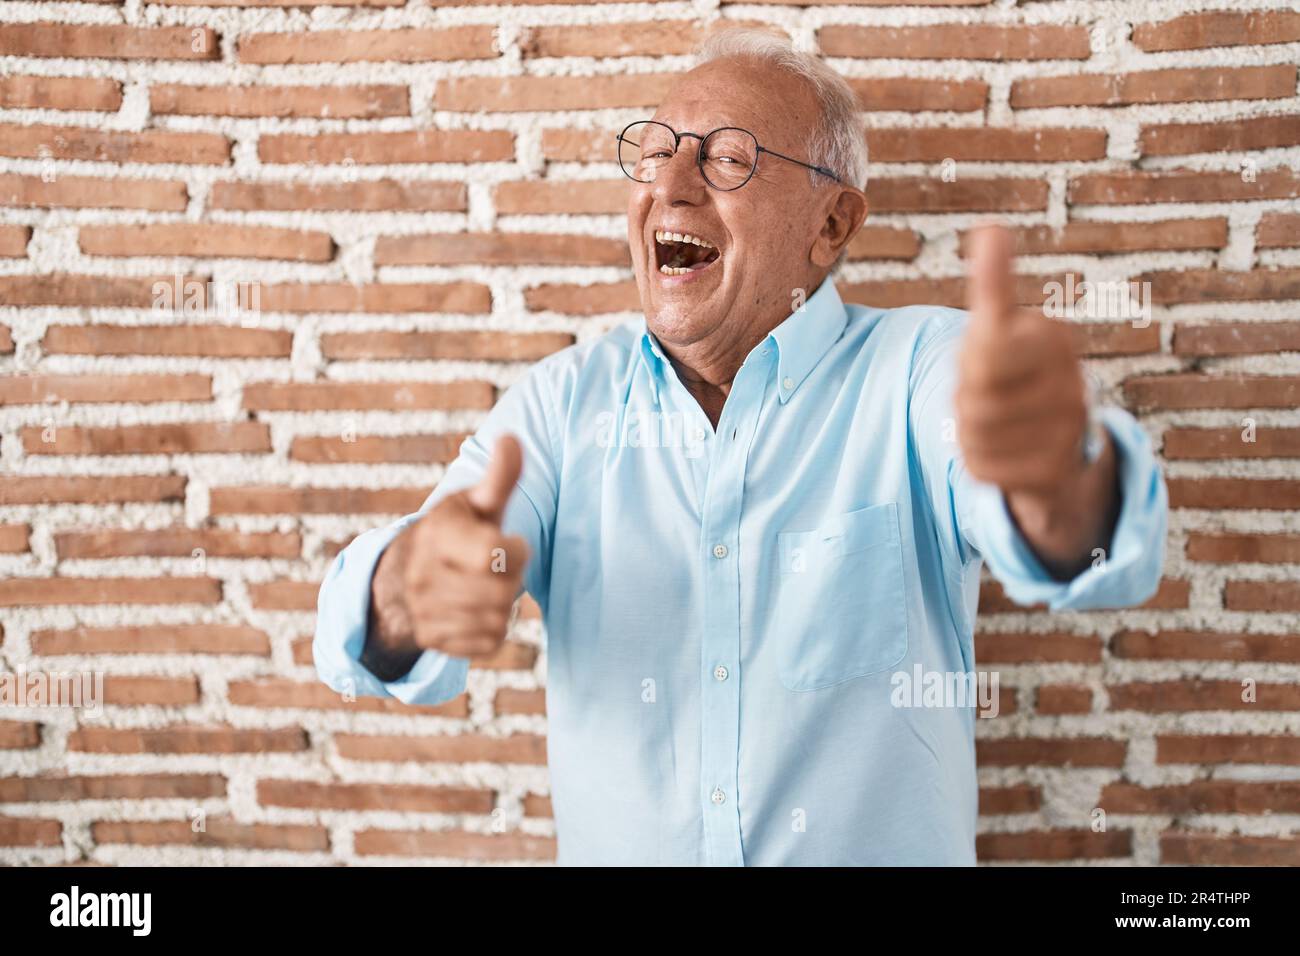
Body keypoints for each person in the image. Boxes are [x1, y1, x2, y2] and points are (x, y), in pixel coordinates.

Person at [314, 27, 1168, 865]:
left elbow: (1083, 541)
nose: (672, 188)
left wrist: (1056, 484)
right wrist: (408, 591)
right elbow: (410, 578)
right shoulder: (564, 403)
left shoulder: (921, 371)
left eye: (727, 160)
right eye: (654, 154)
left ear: (832, 224)